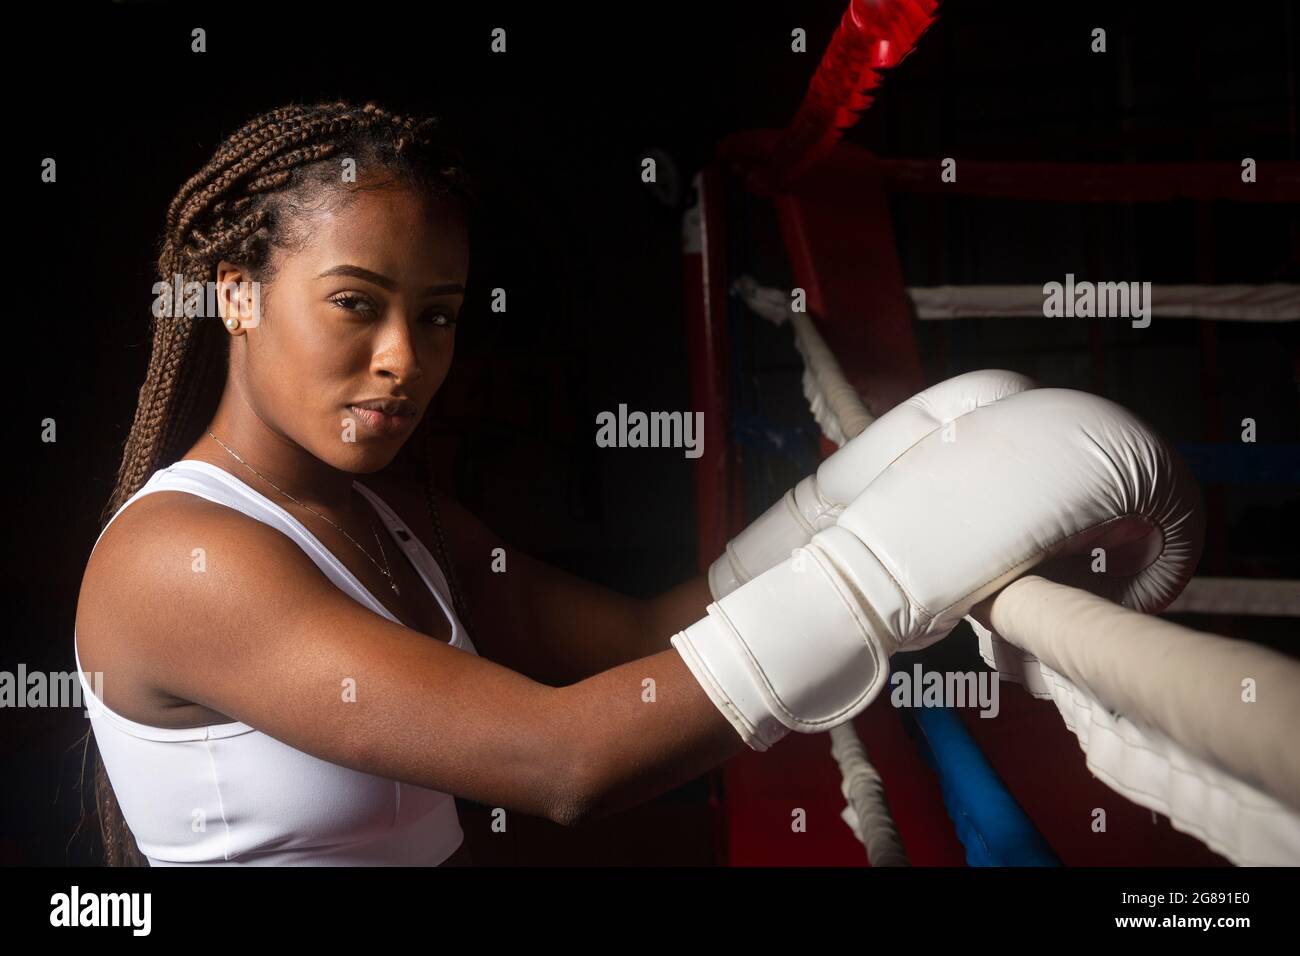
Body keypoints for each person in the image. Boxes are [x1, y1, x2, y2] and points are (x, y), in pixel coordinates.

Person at [74, 99, 1201, 866]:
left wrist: (856, 498)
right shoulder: (184, 558)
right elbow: (561, 759)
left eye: (438, 316)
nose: (405, 359)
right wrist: (880, 578)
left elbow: (636, 637)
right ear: (234, 294)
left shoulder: (389, 515)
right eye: (356, 302)